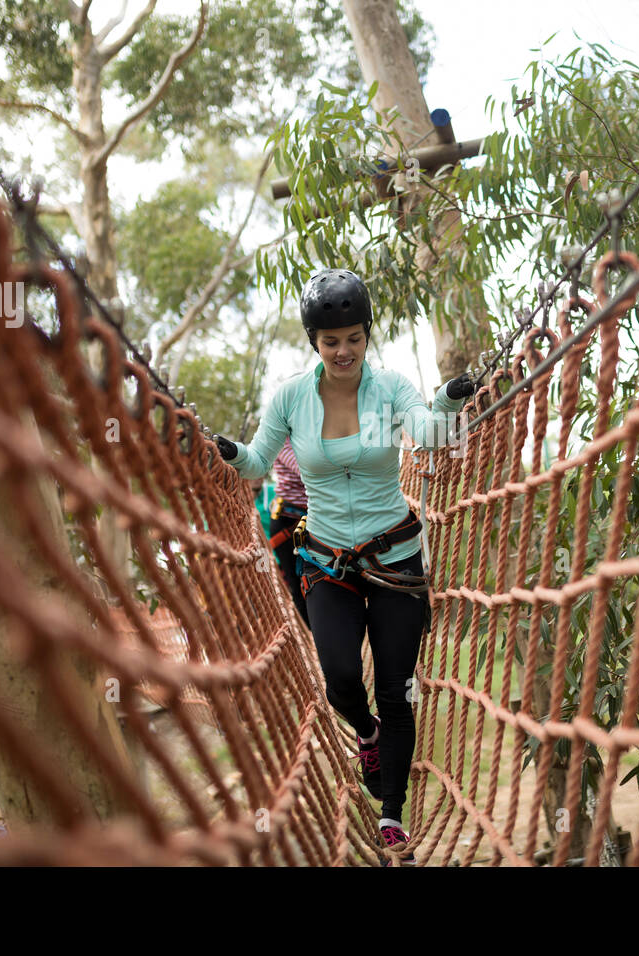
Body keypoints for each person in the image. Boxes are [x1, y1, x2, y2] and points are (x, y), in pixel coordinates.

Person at [214, 268, 474, 865]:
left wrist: (448, 400)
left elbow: (429, 435)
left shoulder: (390, 389)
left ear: (366, 335)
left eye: (353, 338)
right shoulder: (290, 398)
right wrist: (224, 450)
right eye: (330, 340)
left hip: (394, 560)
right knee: (338, 678)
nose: (343, 351)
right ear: (314, 341)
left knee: (396, 690)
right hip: (325, 557)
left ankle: (391, 813)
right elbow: (256, 461)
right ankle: (368, 733)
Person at [267, 438, 310, 627]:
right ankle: (313, 634)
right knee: (297, 581)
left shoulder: (312, 432)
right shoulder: (284, 438)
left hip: (314, 516)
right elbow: (305, 470)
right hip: (288, 520)